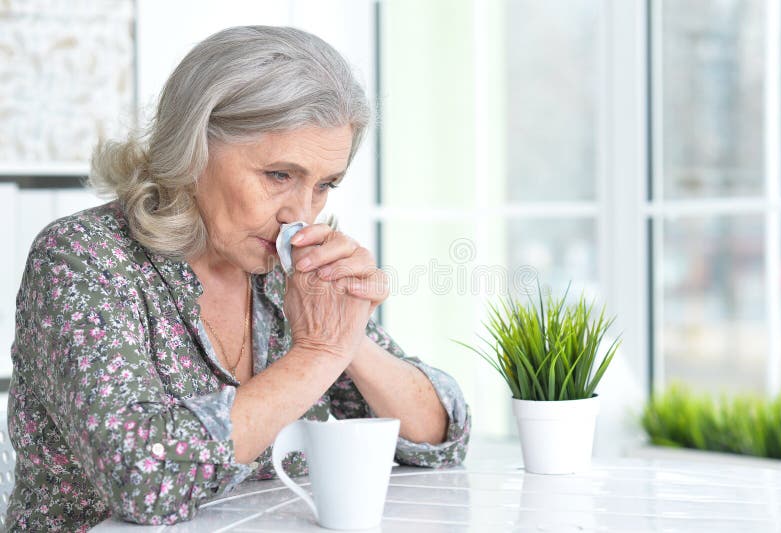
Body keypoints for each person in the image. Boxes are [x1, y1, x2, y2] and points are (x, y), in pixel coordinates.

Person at [5, 26, 470, 531]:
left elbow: (440, 438)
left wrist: (347, 340)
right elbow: (143, 479)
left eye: (325, 185)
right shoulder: (82, 257)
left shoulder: (281, 265)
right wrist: (315, 356)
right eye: (278, 175)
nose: (301, 214)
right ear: (191, 149)